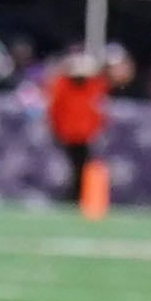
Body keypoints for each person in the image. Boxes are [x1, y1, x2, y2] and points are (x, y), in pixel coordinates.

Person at [45, 47, 114, 204]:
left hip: (86, 135)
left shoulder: (94, 86)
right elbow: (56, 110)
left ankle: (81, 196)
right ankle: (73, 195)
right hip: (68, 134)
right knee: (73, 167)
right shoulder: (63, 85)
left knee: (84, 167)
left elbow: (98, 111)